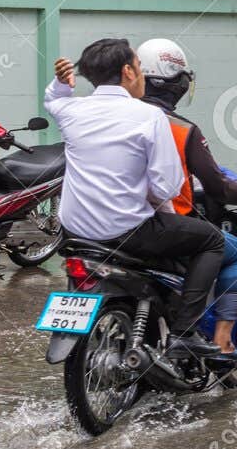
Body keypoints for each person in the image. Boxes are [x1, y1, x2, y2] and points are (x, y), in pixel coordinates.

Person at [44, 39, 224, 360]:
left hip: (73, 232)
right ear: (128, 71)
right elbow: (167, 186)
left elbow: (53, 100)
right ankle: (184, 334)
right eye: (139, 68)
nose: (141, 76)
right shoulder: (149, 116)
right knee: (211, 240)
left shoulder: (72, 111)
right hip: (126, 232)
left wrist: (61, 84)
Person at [136, 38, 237, 357]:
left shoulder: (107, 118)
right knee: (236, 252)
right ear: (177, 85)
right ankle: (220, 340)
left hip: (95, 225)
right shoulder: (180, 128)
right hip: (158, 226)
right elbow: (218, 186)